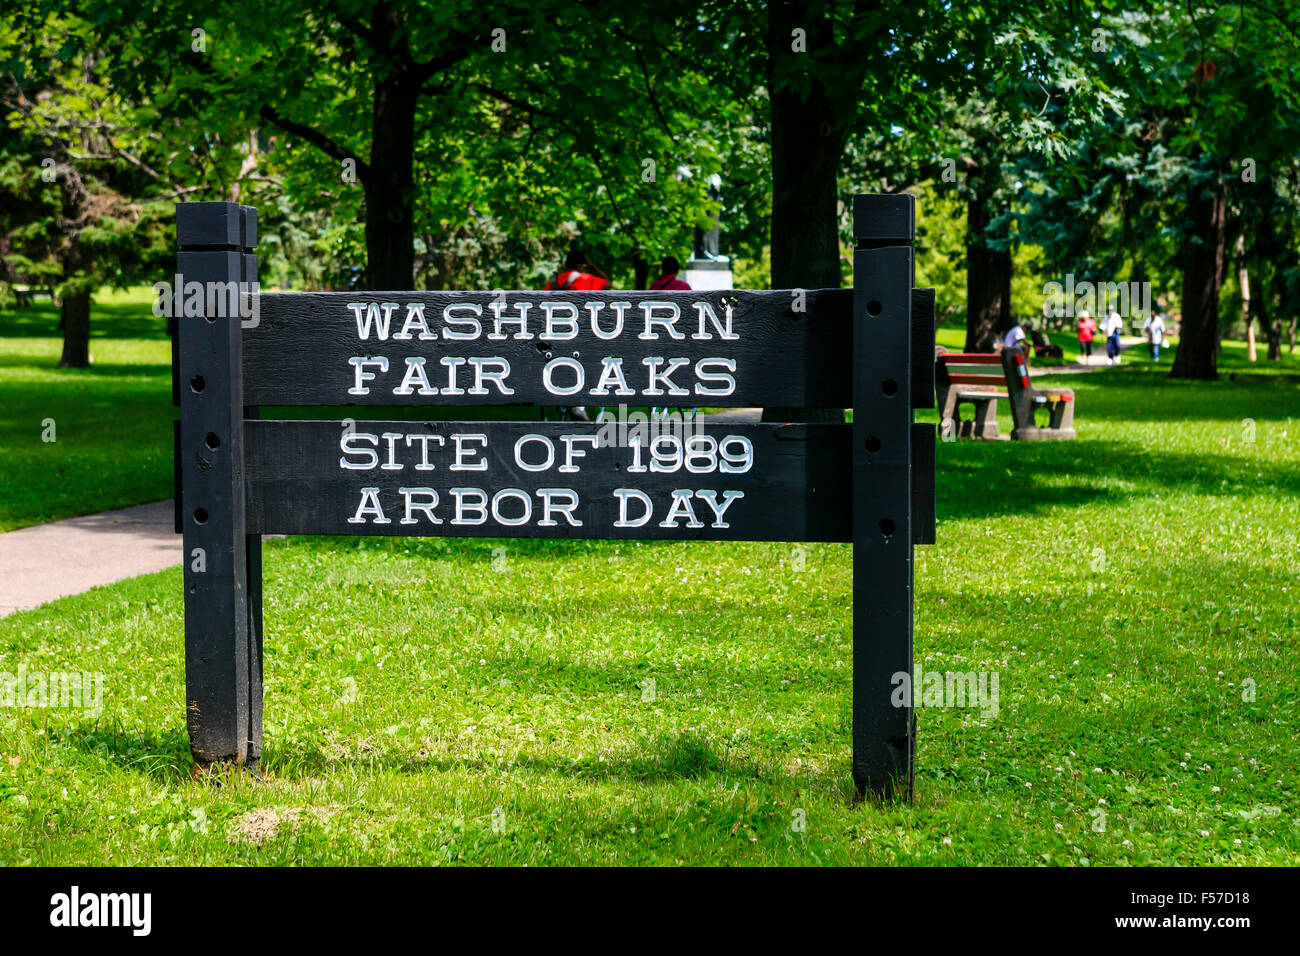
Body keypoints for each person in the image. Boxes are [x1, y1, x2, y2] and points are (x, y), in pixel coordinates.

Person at [545, 250, 610, 291]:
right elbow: (608, 284)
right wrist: (591, 266)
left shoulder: (552, 282)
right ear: (580, 266)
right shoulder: (585, 279)